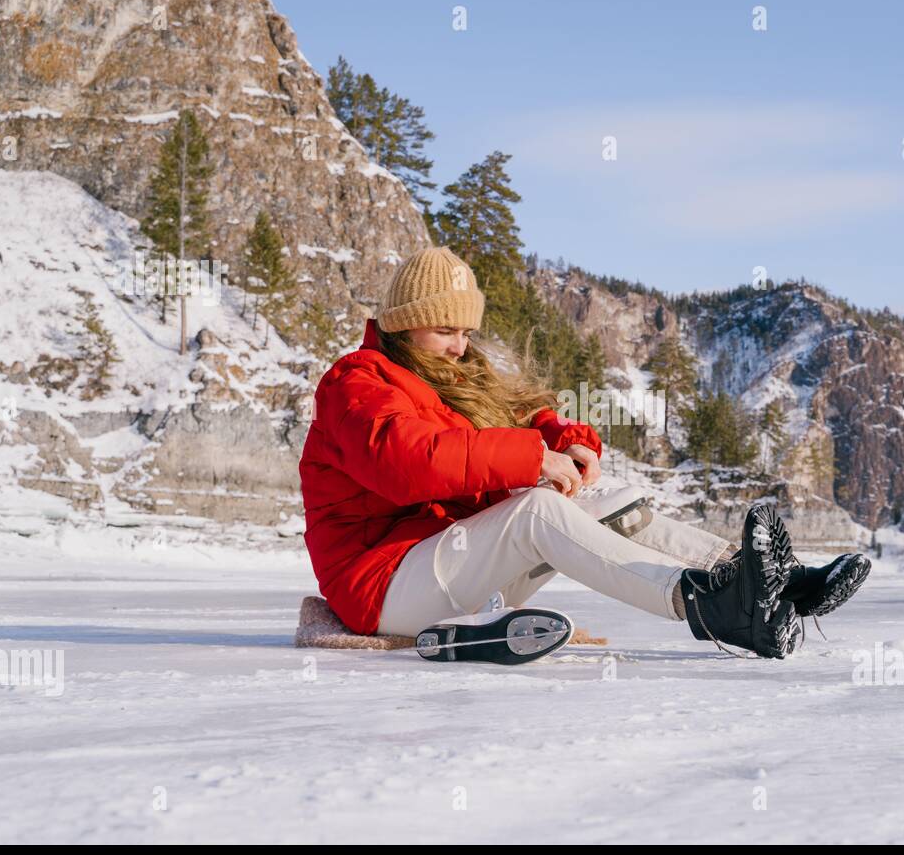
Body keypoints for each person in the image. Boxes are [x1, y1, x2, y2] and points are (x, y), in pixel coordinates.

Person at [299, 246, 869, 659]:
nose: (460, 345)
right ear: (407, 325)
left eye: (466, 331)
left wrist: (566, 442)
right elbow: (411, 461)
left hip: (455, 564)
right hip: (385, 585)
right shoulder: (357, 384)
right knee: (536, 512)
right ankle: (713, 609)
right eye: (446, 329)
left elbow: (525, 419)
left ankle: (771, 584)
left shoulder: (453, 379)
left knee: (603, 495)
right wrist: (530, 458)